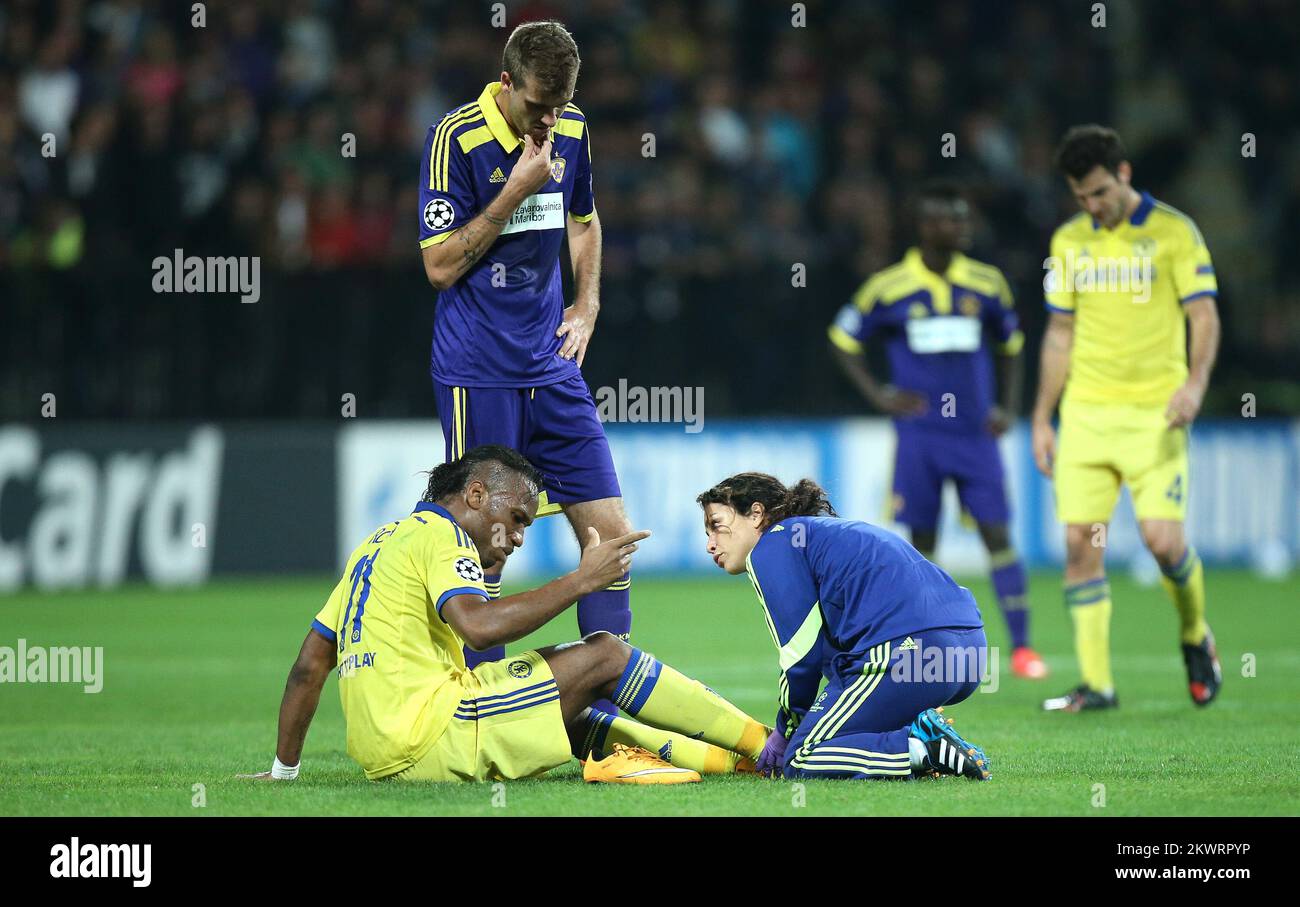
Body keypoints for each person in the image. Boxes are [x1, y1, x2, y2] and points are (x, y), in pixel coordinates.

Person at [244, 446, 768, 784]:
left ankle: (735, 764)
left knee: (573, 709)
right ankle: (766, 745)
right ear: (475, 494)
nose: (517, 537)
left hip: (384, 757)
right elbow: (478, 625)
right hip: (434, 734)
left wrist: (284, 772)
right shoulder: (441, 536)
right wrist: (582, 580)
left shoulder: (375, 545)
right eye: (515, 518)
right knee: (604, 656)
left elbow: (310, 664)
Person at [416, 20, 631, 710]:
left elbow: (585, 220)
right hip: (478, 371)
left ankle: (599, 721)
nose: (549, 119)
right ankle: (486, 715)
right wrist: (513, 189)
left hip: (552, 363)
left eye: (560, 105)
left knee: (613, 538)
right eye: (538, 105)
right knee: (487, 549)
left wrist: (588, 304)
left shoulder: (571, 128)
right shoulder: (456, 139)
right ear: (506, 83)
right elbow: (440, 265)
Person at [1032, 124, 1223, 712]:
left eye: (1099, 193)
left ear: (1124, 174)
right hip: (1086, 419)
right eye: (1081, 197)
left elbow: (1204, 316)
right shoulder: (1069, 242)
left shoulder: (1173, 233)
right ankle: (1098, 684)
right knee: (1081, 545)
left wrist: (1195, 384)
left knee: (1163, 543)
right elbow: (1059, 333)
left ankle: (1195, 634)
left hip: (1154, 419)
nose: (1093, 207)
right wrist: (1042, 416)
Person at [828, 180, 1045, 680]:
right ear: (925, 227)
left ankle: (1023, 649)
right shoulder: (888, 286)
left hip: (974, 434)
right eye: (950, 219)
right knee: (921, 546)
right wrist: (878, 394)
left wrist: (1007, 407)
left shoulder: (988, 283)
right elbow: (841, 338)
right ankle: (919, 647)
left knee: (998, 535)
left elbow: (1012, 345)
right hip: (921, 435)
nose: (961, 227)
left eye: (963, 218)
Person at [697, 472, 991, 781]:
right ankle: (920, 744)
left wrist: (786, 729)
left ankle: (920, 750)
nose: (710, 544)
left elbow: (802, 657)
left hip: (907, 652)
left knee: (801, 757)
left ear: (756, 514)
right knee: (843, 733)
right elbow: (834, 655)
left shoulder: (773, 544)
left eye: (716, 526)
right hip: (968, 655)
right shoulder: (823, 535)